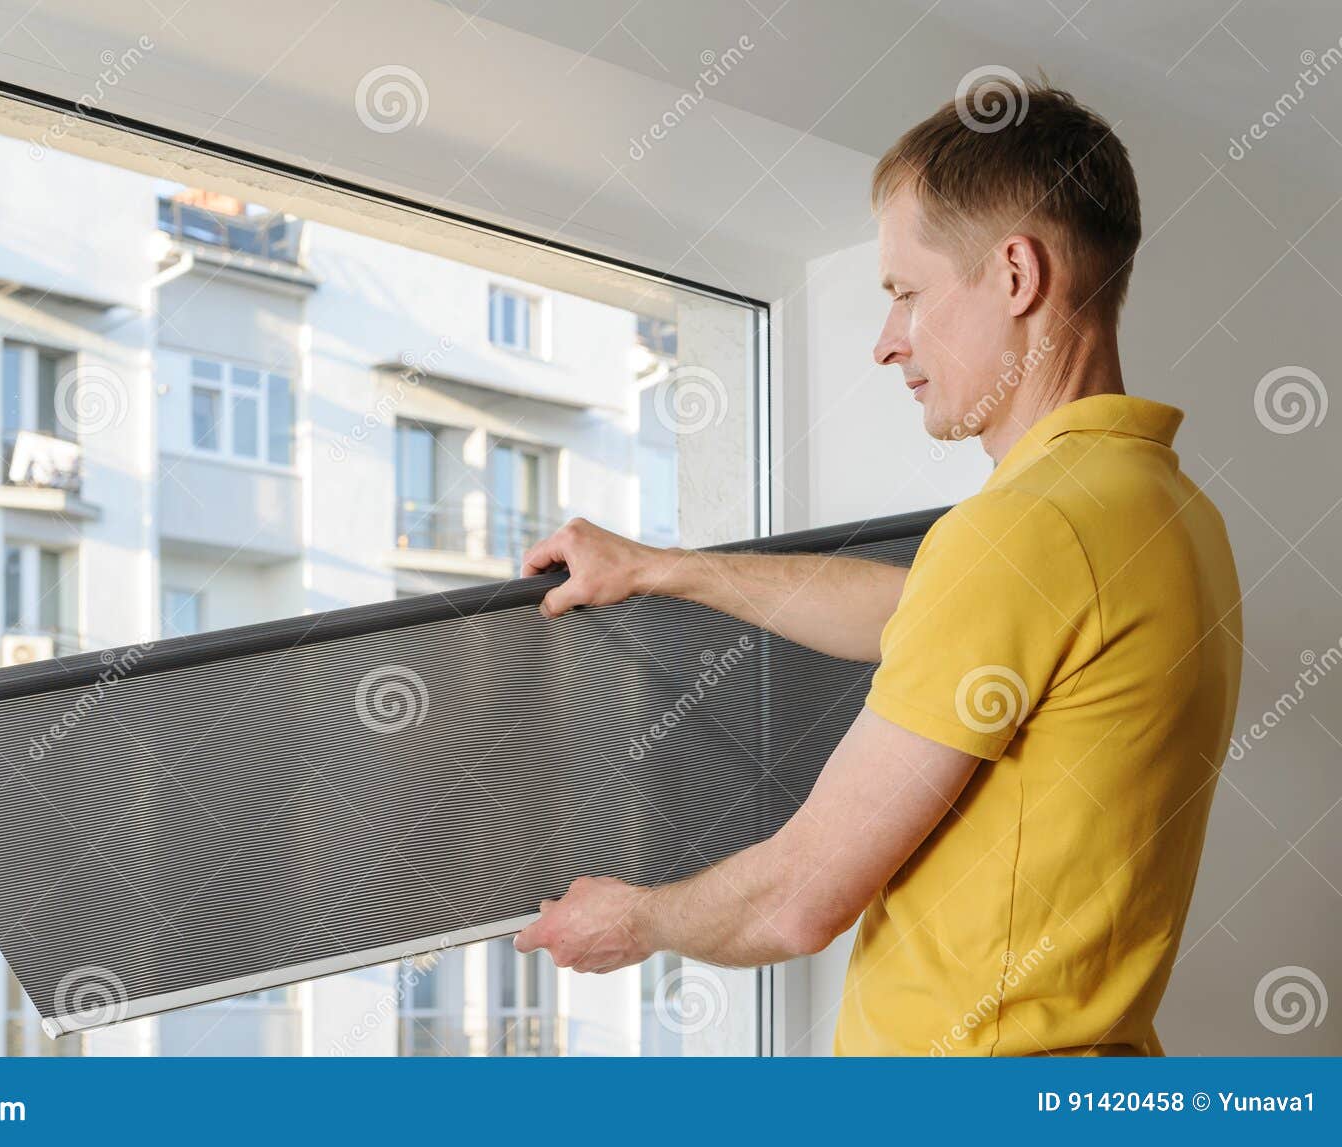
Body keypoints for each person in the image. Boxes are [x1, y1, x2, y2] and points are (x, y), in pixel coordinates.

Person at [511, 83, 1243, 1056]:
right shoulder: (1166, 513)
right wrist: (662, 570)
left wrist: (636, 919)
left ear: (1016, 274)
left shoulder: (1025, 531)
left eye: (906, 290)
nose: (887, 339)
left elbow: (797, 902)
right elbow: (919, 615)